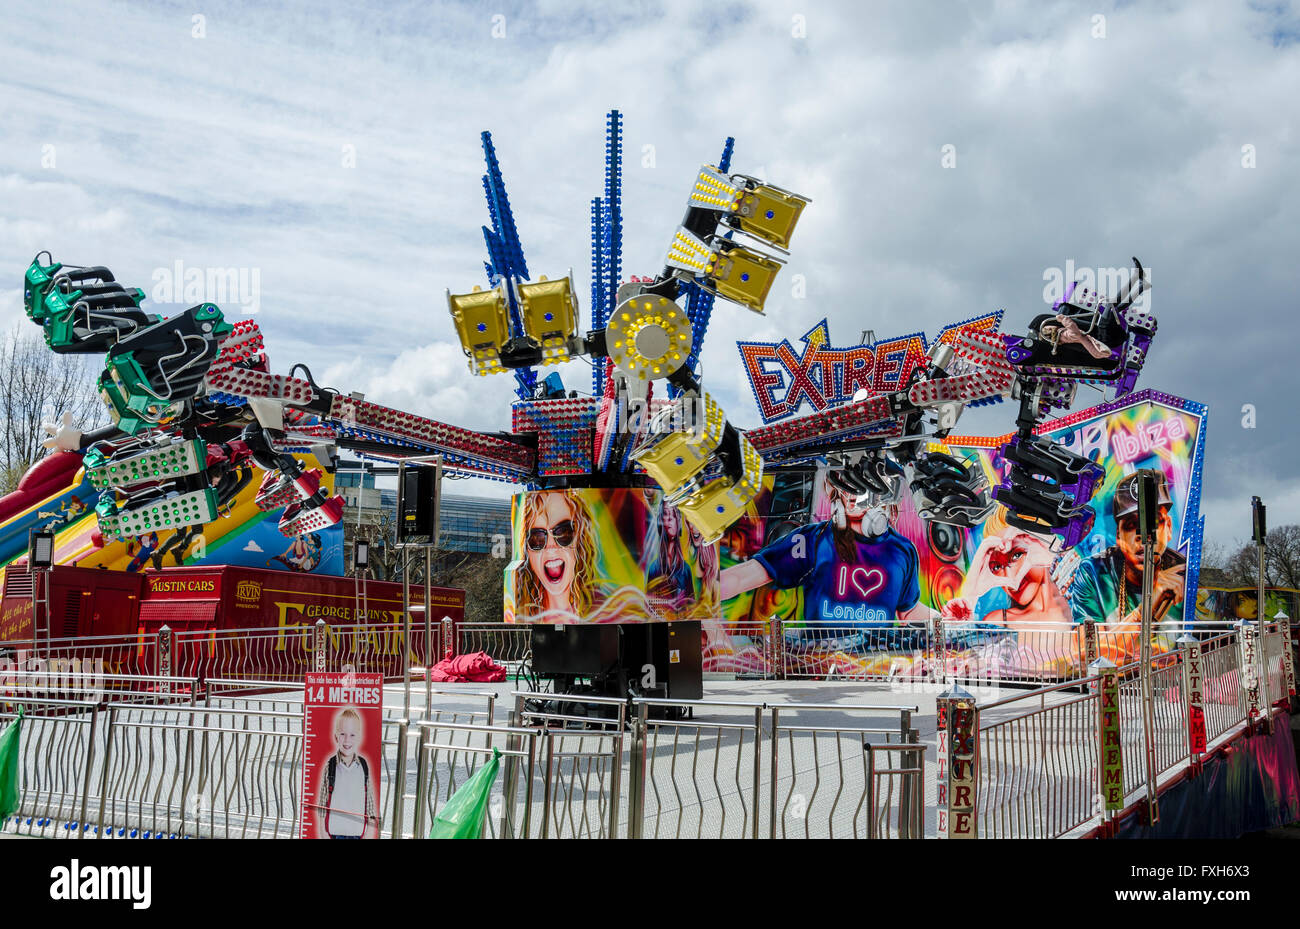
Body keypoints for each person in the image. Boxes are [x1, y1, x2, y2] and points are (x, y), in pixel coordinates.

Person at [719, 477, 933, 646]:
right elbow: (744, 575)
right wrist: (698, 595)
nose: (851, 493)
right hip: (820, 667)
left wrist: (948, 618)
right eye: (845, 485)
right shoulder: (814, 539)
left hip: (875, 669)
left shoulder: (902, 550)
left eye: (861, 486)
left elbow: (907, 611)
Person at [1070, 468, 1186, 659]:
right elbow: (1089, 654)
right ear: (1118, 536)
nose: (1143, 535)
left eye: (1154, 522)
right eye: (1132, 525)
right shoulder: (1093, 572)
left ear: (1169, 528)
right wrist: (1148, 605)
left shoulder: (1185, 574)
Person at [514, 489, 598, 621]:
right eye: (537, 538)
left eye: (563, 532)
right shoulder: (524, 612)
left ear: (580, 538)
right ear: (527, 552)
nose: (551, 547)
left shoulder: (603, 609)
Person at [318, 707, 376, 839]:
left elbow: (370, 803)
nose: (347, 740)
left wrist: (369, 832)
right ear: (336, 737)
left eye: (352, 735)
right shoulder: (330, 765)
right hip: (334, 834)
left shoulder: (364, 766)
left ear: (359, 737)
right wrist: (323, 831)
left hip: (358, 834)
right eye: (342, 734)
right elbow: (322, 801)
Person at [645, 501, 692, 604]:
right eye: (666, 513)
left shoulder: (686, 570)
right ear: (660, 521)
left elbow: (691, 608)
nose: (670, 518)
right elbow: (649, 607)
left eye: (674, 514)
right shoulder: (653, 569)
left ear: (678, 522)